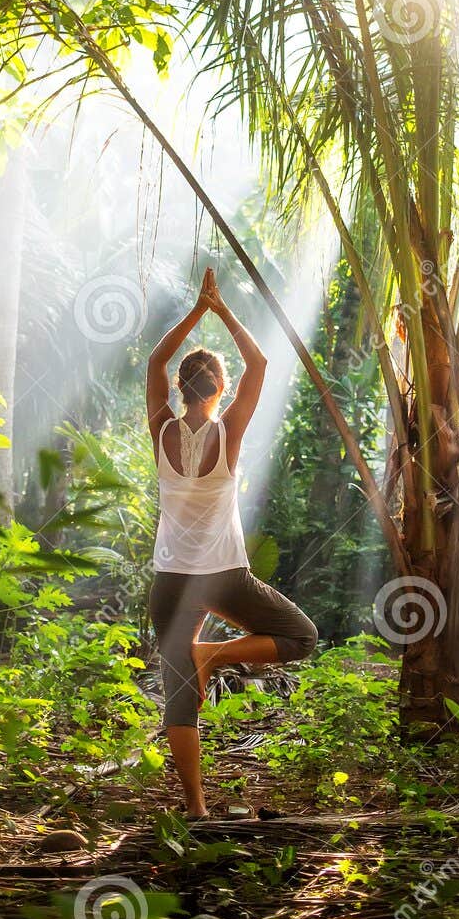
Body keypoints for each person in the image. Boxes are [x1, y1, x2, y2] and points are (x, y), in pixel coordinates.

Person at [146, 266, 318, 817]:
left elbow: (154, 361)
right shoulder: (228, 433)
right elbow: (259, 364)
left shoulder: (161, 430)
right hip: (222, 573)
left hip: (171, 579)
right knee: (299, 635)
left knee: (179, 693)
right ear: (219, 389)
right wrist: (220, 309)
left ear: (179, 388)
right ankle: (213, 654)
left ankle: (195, 806)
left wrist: (196, 310)